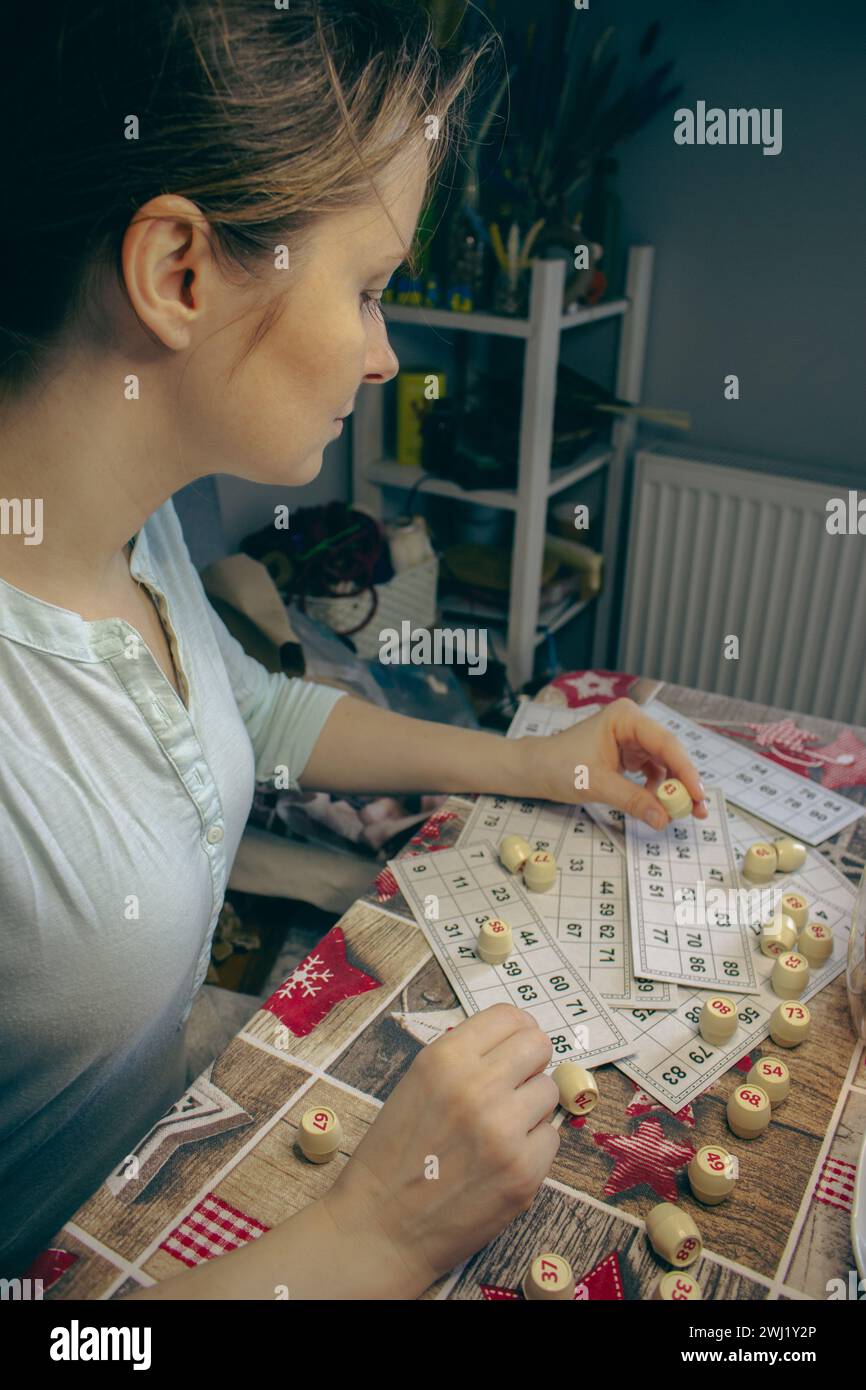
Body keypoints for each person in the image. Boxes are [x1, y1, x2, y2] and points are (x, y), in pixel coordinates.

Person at [0, 0, 707, 1294]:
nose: (386, 353)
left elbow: (257, 715)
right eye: (370, 287)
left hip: (168, 1166)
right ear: (180, 272)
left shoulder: (127, 520)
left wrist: (541, 762)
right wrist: (373, 1236)